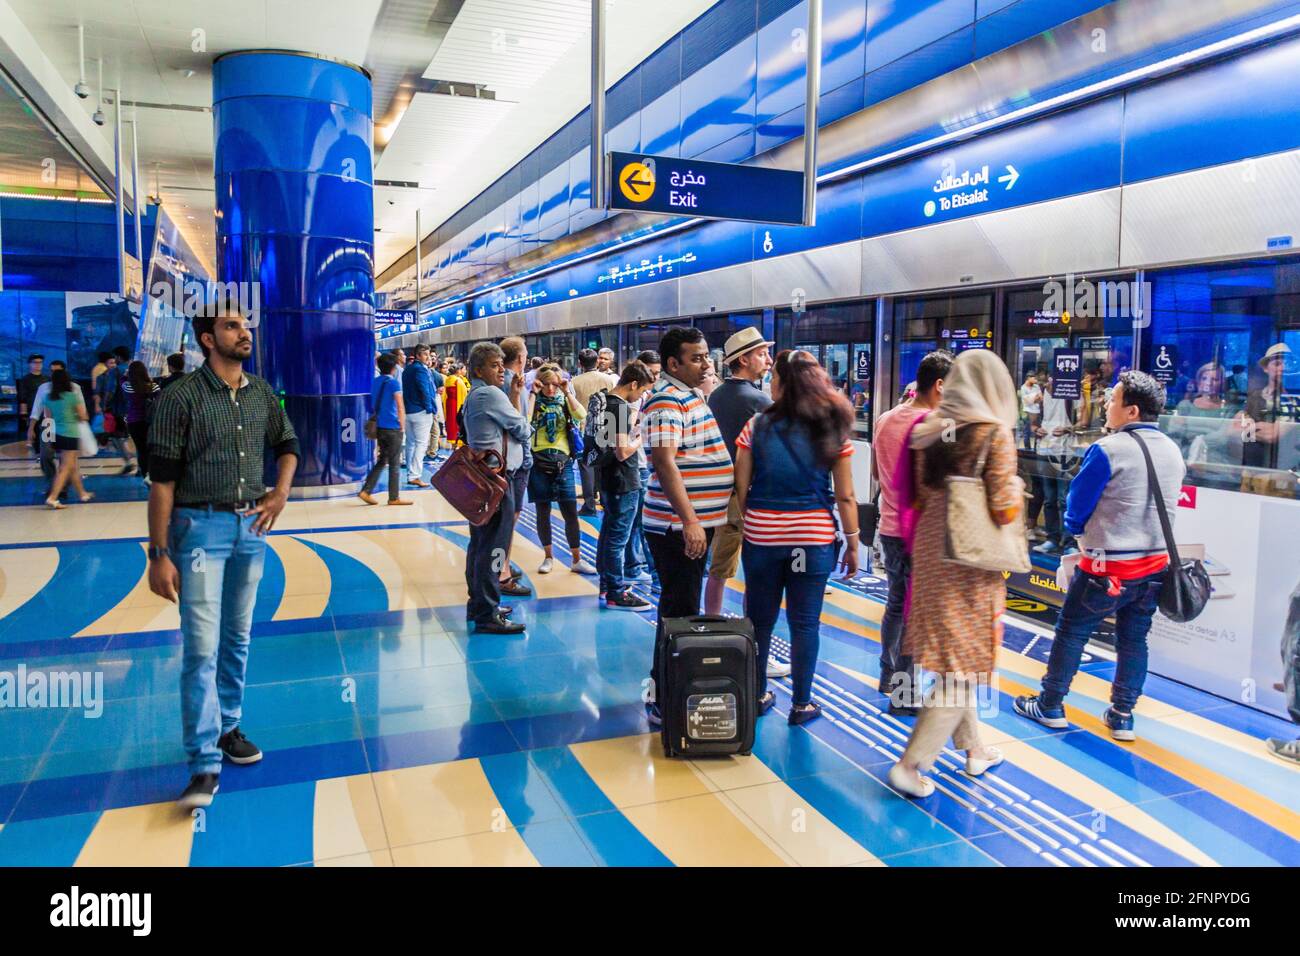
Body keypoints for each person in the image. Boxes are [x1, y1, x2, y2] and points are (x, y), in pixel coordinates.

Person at [146, 307, 299, 810]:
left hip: (251, 527)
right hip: (198, 530)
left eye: (246, 325)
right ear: (209, 339)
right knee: (201, 645)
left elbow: (288, 443)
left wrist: (279, 493)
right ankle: (202, 764)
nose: (245, 332)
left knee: (237, 635)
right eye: (232, 327)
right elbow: (162, 481)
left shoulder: (260, 392)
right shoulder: (180, 397)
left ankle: (229, 724)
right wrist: (159, 553)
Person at [1015, 371, 1187, 742]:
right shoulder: (1172, 450)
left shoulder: (1109, 449)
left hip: (1107, 567)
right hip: (1154, 566)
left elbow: (1077, 504)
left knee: (1071, 631)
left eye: (1113, 400)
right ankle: (1122, 714)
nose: (1107, 406)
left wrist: (1079, 536)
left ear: (1132, 411)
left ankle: (1050, 703)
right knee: (1133, 639)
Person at [888, 349, 1022, 798]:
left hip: (930, 552)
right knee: (962, 669)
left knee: (954, 659)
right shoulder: (993, 433)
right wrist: (1019, 495)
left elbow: (922, 495)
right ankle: (911, 765)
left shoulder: (929, 431)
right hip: (970, 561)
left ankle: (974, 749)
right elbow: (1003, 508)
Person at [734, 350, 859, 725]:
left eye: (773, 377)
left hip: (763, 536)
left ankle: (756, 694)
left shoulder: (756, 425)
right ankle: (802, 704)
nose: (769, 383)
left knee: (759, 620)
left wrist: (752, 519)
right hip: (812, 537)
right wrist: (852, 542)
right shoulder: (832, 427)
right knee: (805, 622)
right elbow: (846, 495)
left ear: (784, 384)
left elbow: (741, 484)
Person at [641, 327, 735, 725]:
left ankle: (667, 685)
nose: (706, 363)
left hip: (688, 524)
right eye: (696, 358)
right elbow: (664, 463)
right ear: (672, 364)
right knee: (678, 611)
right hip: (676, 527)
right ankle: (663, 693)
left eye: (707, 356)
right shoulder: (666, 401)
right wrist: (691, 520)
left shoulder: (688, 396)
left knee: (681, 606)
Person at [873, 349, 952, 715]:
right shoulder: (934, 425)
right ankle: (903, 695)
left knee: (896, 602)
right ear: (939, 385)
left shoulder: (886, 418)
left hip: (889, 525)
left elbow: (876, 474)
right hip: (920, 531)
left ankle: (888, 674)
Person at [703, 328, 774, 620]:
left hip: (719, 493)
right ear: (743, 360)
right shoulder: (759, 402)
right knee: (757, 573)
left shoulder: (716, 395)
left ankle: (711, 623)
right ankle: (752, 634)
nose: (768, 360)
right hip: (751, 495)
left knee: (718, 570)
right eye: (761, 354)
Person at [462, 341, 532, 634]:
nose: (501, 370)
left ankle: (479, 605)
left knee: (480, 544)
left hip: (483, 479)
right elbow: (523, 428)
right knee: (495, 548)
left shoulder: (475, 394)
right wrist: (517, 406)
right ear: (479, 369)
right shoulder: (491, 394)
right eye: (494, 365)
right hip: (498, 482)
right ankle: (488, 614)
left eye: (502, 364)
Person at [594, 361, 656, 610]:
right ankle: (616, 591)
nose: (640, 396)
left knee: (608, 534)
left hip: (609, 479)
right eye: (641, 391)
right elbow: (622, 452)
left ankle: (607, 584)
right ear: (633, 384)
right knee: (618, 539)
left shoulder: (607, 402)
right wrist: (640, 438)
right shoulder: (618, 408)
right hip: (623, 480)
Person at [526, 365, 596, 577]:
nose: (549, 389)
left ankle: (577, 559)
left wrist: (566, 391)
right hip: (538, 462)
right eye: (545, 384)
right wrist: (532, 393)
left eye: (553, 384)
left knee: (570, 513)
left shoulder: (564, 399)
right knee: (543, 512)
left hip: (562, 463)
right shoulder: (534, 403)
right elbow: (525, 421)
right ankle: (548, 556)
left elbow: (581, 414)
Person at [497, 337, 534, 597]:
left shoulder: (501, 384)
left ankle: (503, 566)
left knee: (506, 520)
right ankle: (501, 572)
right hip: (514, 460)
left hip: (505, 458)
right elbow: (519, 423)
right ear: (521, 358)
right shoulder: (511, 383)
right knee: (508, 520)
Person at [625, 350, 663, 588]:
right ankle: (630, 569)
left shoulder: (644, 398)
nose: (655, 381)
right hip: (632, 467)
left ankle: (630, 569)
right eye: (652, 375)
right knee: (628, 526)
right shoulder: (622, 404)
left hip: (640, 466)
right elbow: (619, 447)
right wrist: (641, 433)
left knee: (629, 525)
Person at [359, 354, 412, 506]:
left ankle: (366, 490)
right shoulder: (394, 383)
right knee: (394, 463)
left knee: (382, 460)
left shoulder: (375, 382)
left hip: (380, 426)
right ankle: (393, 497)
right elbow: (400, 406)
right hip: (393, 427)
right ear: (394, 368)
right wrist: (402, 426)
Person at [39, 368, 94, 508]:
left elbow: (48, 418)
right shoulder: (72, 396)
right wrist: (74, 416)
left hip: (56, 434)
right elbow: (83, 416)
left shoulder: (47, 398)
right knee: (65, 468)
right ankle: (52, 497)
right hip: (71, 434)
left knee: (72, 465)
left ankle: (83, 493)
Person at [27, 360, 77, 501]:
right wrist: (31, 428)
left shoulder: (74, 389)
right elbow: (37, 409)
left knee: (65, 458)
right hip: (49, 424)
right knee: (46, 455)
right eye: (52, 371)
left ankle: (63, 487)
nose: (54, 374)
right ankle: (52, 483)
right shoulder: (44, 388)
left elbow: (80, 410)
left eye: (57, 371)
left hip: (67, 425)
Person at [571, 348, 612, 515]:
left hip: (584, 428)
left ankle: (589, 505)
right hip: (606, 426)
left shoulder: (574, 382)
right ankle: (604, 499)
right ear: (597, 362)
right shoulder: (608, 380)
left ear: (580, 364)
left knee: (586, 466)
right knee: (602, 465)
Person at [95, 346, 138, 475]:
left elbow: (111, 390)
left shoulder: (116, 371)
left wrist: (105, 404)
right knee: (134, 437)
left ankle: (128, 460)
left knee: (116, 436)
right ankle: (138, 464)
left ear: (119, 357)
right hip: (134, 408)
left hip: (119, 409)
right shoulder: (134, 369)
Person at [401, 344, 436, 487]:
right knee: (421, 444)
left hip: (408, 411)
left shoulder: (407, 369)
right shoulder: (420, 370)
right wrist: (429, 408)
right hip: (421, 412)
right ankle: (415, 475)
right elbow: (424, 389)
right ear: (418, 355)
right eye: (425, 354)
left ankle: (410, 472)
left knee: (410, 443)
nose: (428, 357)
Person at [121, 361, 160, 482]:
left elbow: (121, 381)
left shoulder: (128, 386)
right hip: (151, 421)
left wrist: (125, 374)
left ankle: (145, 474)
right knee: (151, 448)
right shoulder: (153, 386)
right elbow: (160, 401)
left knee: (141, 449)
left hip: (134, 421)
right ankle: (154, 472)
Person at [16, 353, 48, 441]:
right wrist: (24, 415)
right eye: (35, 362)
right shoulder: (25, 380)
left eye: (40, 362)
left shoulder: (47, 379)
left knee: (48, 438)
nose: (38, 364)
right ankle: (36, 453)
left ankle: (47, 454)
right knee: (35, 436)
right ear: (30, 364)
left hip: (47, 411)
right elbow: (22, 398)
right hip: (32, 412)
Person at [443, 361, 468, 446]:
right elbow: (464, 394)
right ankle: (458, 441)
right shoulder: (458, 380)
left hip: (449, 404)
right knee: (456, 423)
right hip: (457, 404)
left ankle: (452, 441)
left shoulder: (448, 379)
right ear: (458, 371)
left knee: (450, 422)